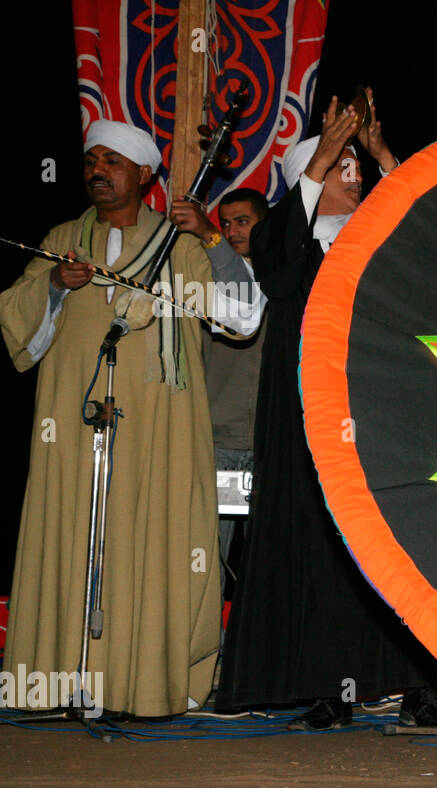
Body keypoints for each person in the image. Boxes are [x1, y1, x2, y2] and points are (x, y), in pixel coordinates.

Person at [0, 120, 261, 716]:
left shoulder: (181, 243)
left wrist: (214, 242)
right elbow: (21, 329)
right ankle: (63, 684)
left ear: (144, 174)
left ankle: (140, 686)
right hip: (72, 427)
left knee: (153, 539)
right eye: (91, 160)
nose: (98, 170)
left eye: (113, 161)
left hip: (159, 428)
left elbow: (244, 318)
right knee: (71, 535)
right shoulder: (63, 237)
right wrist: (57, 289)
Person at [215, 94, 437, 729]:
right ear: (310, 179)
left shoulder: (382, 238)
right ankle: (328, 688)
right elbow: (270, 265)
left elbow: (431, 224)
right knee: (321, 551)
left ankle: (419, 687)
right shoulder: (293, 246)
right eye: (339, 165)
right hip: (313, 418)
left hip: (388, 414)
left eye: (355, 165)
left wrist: (380, 153)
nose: (354, 172)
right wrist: (320, 155)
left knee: (398, 548)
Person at [207, 188, 269, 597]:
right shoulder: (207, 277)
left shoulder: (287, 276)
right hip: (219, 439)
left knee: (271, 562)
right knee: (210, 561)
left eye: (242, 221)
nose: (231, 231)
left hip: (273, 441)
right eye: (224, 224)